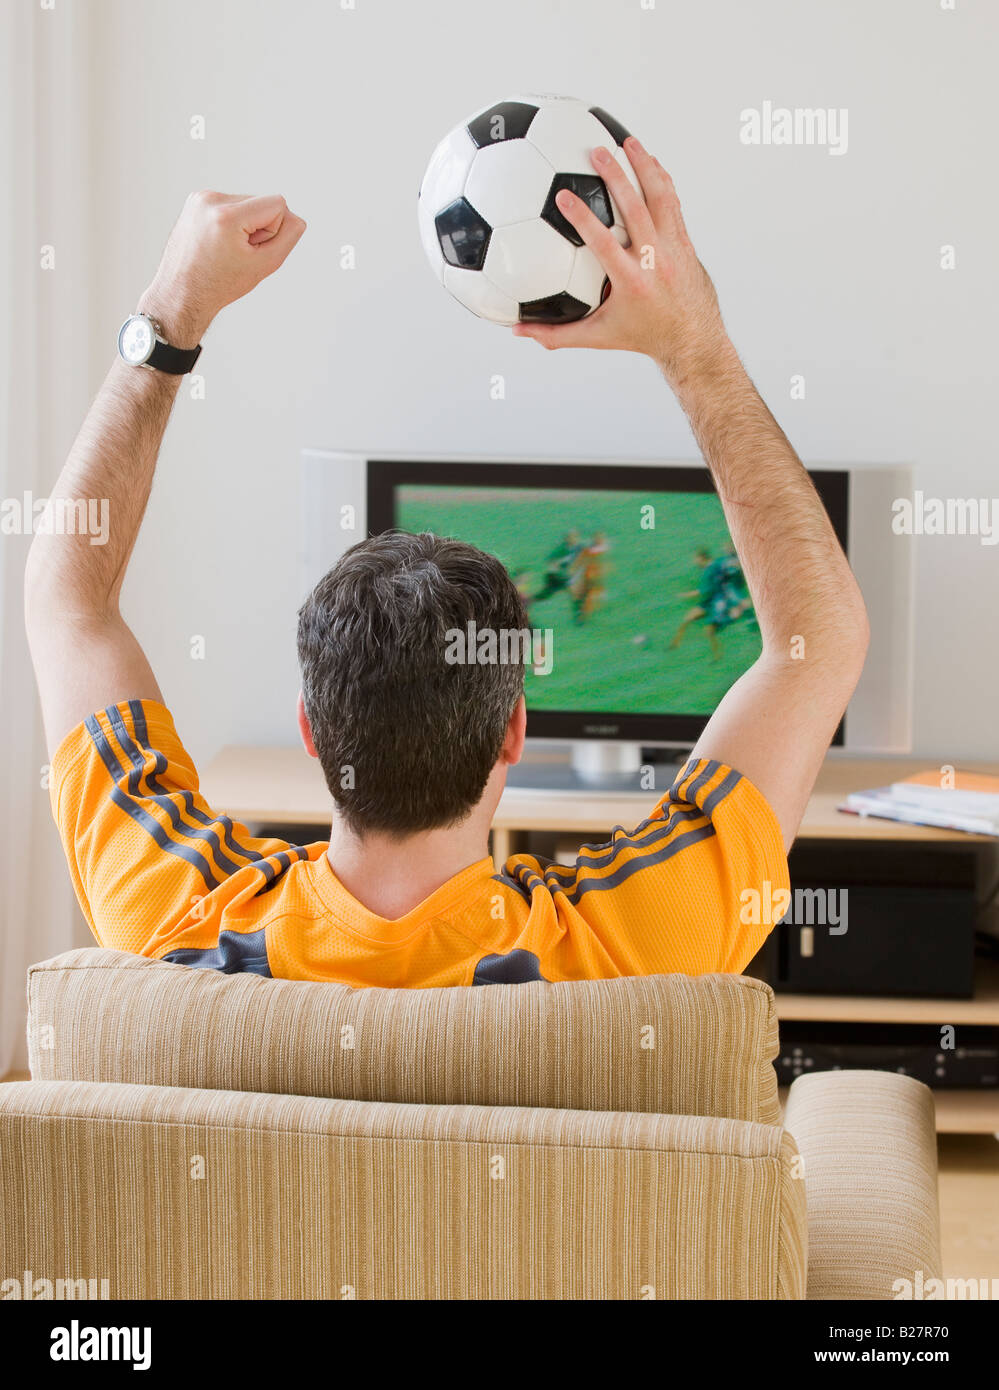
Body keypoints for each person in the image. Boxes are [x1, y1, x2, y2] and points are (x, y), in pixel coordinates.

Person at [25, 137, 868, 986]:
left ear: (312, 730)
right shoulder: (630, 949)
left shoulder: (176, 919)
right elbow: (820, 642)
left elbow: (66, 606)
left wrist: (172, 311)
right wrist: (697, 350)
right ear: (513, 732)